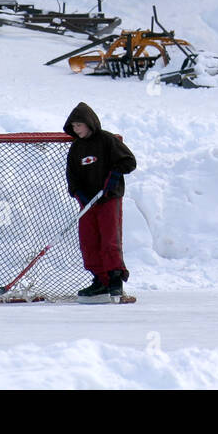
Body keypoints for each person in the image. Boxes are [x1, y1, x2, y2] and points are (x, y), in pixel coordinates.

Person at [63, 102, 136, 303]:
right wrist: (79, 194)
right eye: (74, 126)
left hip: (108, 199)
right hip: (88, 204)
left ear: (89, 123)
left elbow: (128, 161)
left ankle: (114, 280)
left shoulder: (106, 140)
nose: (76, 130)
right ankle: (99, 280)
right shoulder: (76, 147)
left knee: (109, 238)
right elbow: (72, 176)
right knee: (88, 240)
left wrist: (113, 177)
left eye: (79, 125)